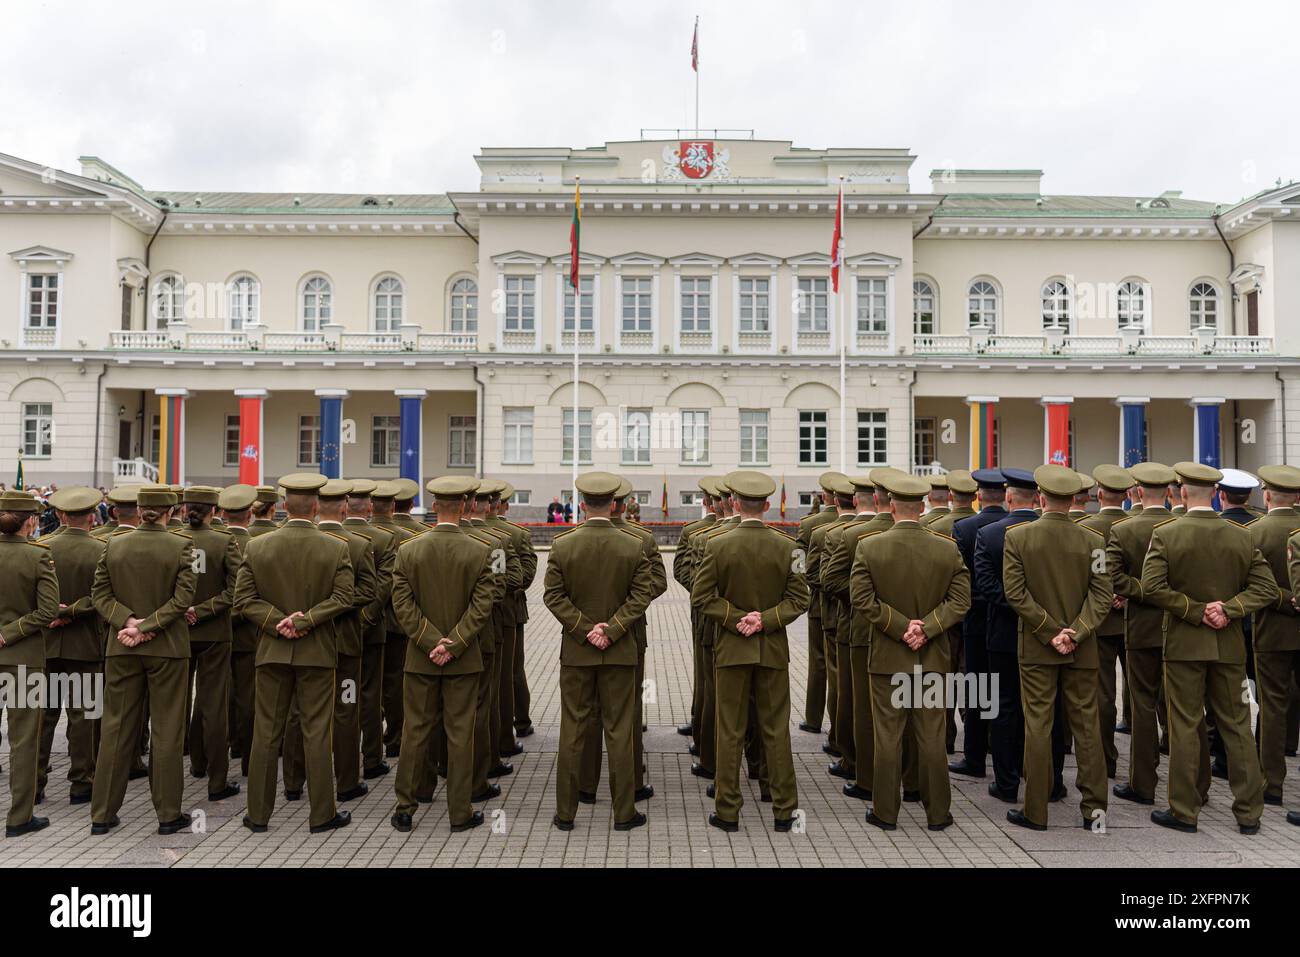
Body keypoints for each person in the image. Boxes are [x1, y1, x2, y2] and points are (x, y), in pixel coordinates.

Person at [1140, 461, 1275, 834]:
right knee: (1236, 725)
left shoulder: (1166, 533)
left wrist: (1194, 611)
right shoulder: (1241, 535)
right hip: (1228, 643)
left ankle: (1184, 810)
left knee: (1185, 724)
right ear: (1215, 494)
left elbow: (1151, 588)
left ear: (1181, 493)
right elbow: (1264, 589)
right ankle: (1249, 812)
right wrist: (1228, 610)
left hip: (1184, 643)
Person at [850, 470, 969, 830]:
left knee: (887, 737)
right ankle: (938, 814)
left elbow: (861, 599)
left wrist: (901, 628)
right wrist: (926, 628)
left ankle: (885, 812)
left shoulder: (870, 546)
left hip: (888, 657)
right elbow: (961, 600)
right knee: (932, 738)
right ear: (921, 506)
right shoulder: (946, 548)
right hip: (931, 657)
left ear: (890, 505)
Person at [235, 472, 354, 834]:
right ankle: (322, 815)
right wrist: (306, 621)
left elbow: (243, 601)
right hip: (316, 651)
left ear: (285, 506)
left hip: (272, 650)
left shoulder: (257, 546)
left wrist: (276, 622)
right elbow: (344, 598)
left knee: (266, 734)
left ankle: (257, 815)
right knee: (317, 732)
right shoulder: (336, 547)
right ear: (317, 506)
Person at [692, 470, 809, 832]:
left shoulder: (717, 544)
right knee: (776, 730)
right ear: (769, 505)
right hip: (772, 649)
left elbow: (702, 597)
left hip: (731, 649)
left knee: (730, 731)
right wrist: (766, 620)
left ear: (735, 503)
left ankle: (727, 812)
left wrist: (737, 618)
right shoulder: (790, 547)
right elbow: (801, 598)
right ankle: (785, 811)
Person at [1002, 465, 1112, 831]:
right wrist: (1076, 632)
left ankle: (1036, 810)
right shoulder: (1094, 542)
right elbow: (1102, 596)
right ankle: (1095, 811)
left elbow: (1016, 594)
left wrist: (1050, 632)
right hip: (1082, 650)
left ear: (1041, 497)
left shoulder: (1018, 538)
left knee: (1038, 726)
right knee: (1087, 728)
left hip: (1037, 648)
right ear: (1075, 500)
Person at [544, 471, 655, 831]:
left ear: (580, 504)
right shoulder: (633, 544)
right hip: (620, 652)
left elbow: (553, 596)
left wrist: (583, 630)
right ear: (615, 504)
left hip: (577, 653)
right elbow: (642, 594)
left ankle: (565, 812)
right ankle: (624, 813)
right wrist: (613, 629)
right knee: (620, 731)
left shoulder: (563, 544)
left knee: (573, 730)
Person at [390, 476, 498, 832]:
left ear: (434, 507)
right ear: (466, 507)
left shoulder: (409, 550)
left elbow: (401, 604)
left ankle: (405, 807)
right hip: (463, 659)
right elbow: (482, 608)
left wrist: (429, 641)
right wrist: (453, 643)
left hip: (421, 658)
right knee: (460, 733)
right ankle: (459, 811)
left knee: (414, 732)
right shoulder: (479, 550)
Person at [89, 485, 197, 836]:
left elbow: (99, 595)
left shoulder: (113, 544)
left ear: (138, 509)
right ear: (170, 512)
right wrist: (147, 626)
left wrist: (128, 622)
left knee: (116, 728)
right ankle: (168, 815)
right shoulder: (182, 546)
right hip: (167, 648)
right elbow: (183, 600)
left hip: (121, 646)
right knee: (167, 730)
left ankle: (102, 814)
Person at [281, 479, 376, 804]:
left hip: (305, 642)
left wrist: (308, 615)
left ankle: (293, 782)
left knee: (298, 710)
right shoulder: (359, 544)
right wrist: (336, 604)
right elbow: (368, 592)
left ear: (318, 508)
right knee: (346, 708)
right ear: (345, 508)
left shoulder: (299, 541)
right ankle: (346, 782)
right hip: (345, 642)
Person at [579, 478, 667, 803]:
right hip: (628, 632)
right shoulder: (640, 538)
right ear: (619, 505)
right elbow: (657, 584)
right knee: (627, 711)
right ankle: (631, 785)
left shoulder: (572, 539)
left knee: (588, 711)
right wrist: (627, 606)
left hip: (584, 636)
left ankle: (585, 785)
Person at [1107, 462, 1177, 806]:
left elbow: (1112, 577)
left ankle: (1143, 783)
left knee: (1143, 707)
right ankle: (1194, 785)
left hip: (1140, 628)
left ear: (1135, 493)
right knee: (1184, 709)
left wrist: (1142, 590)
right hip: (1181, 626)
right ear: (1168, 494)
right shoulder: (1181, 526)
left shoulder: (1123, 529)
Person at [972, 468, 1043, 803]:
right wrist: (1040, 614)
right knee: (1045, 711)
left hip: (1002, 632)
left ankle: (1007, 783)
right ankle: (1050, 784)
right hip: (1047, 634)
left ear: (1010, 498)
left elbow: (984, 587)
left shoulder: (989, 534)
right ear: (1038, 499)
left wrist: (1017, 606)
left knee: (1003, 708)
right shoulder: (1054, 532)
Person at [38, 486, 107, 807]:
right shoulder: (102, 549)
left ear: (61, 515)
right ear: (93, 516)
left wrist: (54, 613)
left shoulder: (40, 547)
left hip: (46, 643)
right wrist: (72, 612)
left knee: (44, 715)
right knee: (84, 716)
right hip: (86, 645)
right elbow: (106, 598)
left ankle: (34, 781)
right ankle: (82, 782)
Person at [178, 485, 243, 802]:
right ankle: (217, 780)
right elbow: (236, 591)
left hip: (175, 632)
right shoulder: (224, 541)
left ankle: (187, 767)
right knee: (214, 705)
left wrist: (182, 611)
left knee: (175, 705)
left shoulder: (173, 539)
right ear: (214, 511)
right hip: (215, 632)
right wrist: (202, 611)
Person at [0, 490, 60, 838]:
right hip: (23, 659)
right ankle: (19, 817)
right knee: (23, 740)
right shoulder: (39, 557)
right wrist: (8, 633)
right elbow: (48, 611)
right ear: (32, 521)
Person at [948, 468, 1008, 779]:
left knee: (976, 689)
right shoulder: (1023, 524)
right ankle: (1008, 759)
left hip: (974, 618)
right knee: (1008, 694)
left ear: (979, 496)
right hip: (1011, 619)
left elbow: (958, 576)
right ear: (1006, 496)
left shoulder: (965, 527)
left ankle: (974, 760)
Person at [1079, 465, 1135, 780]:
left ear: (1098, 494)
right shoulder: (1140, 526)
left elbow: (1084, 575)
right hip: (1136, 620)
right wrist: (1125, 595)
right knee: (1141, 696)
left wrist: (1105, 597)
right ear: (1128, 496)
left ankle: (1106, 760)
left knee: (1101, 695)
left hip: (1098, 622)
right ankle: (1144, 765)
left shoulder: (1087, 527)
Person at [1252, 465, 1300, 808]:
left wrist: (1283, 600)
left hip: (1271, 630)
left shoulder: (1256, 531)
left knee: (1272, 706)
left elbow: (1251, 586)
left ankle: (1272, 783)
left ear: (1267, 495)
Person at [926, 469, 978, 754]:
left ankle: (945, 737)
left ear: (950, 496)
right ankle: (977, 736)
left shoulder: (933, 526)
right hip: (977, 613)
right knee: (973, 676)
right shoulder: (986, 523)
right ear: (975, 496)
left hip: (944, 612)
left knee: (942, 676)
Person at [795, 473, 843, 736]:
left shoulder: (811, 524)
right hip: (849, 607)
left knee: (818, 661)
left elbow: (797, 560)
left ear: (825, 496)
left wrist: (805, 582)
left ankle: (814, 718)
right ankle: (840, 726)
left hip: (819, 603)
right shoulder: (861, 523)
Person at [674, 478, 721, 748]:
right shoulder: (779, 539)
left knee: (706, 675)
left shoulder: (695, 532)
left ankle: (703, 729)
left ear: (706, 502)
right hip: (757, 621)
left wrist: (700, 592)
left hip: (704, 613)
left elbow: (681, 570)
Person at [217, 484, 258, 776]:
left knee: (213, 697)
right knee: (247, 697)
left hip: (210, 629)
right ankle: (244, 753)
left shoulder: (201, 542)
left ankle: (205, 758)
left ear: (222, 513)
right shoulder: (260, 543)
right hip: (247, 633)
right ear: (250, 514)